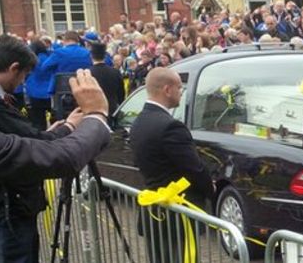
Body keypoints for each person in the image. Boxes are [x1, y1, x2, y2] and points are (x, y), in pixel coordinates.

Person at [0, 40, 109, 263]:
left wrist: (53, 133)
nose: (24, 82)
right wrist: (90, 117)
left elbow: (24, 141)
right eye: (25, 75)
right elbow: (41, 151)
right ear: (14, 68)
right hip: (5, 208)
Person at [130, 67, 214, 263]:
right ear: (167, 90)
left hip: (153, 210)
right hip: (176, 214)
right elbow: (193, 168)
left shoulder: (139, 122)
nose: (181, 92)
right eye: (179, 87)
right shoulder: (170, 126)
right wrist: (210, 188)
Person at [89, 43, 125, 125]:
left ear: (91, 56)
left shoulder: (88, 73)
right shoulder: (115, 72)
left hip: (94, 112)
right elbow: (121, 94)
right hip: (112, 110)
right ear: (105, 56)